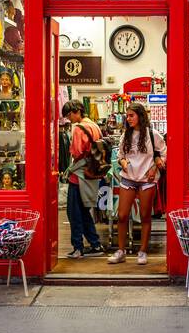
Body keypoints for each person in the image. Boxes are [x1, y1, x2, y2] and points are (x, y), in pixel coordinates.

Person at [108, 102, 166, 266]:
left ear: (140, 116)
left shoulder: (153, 134)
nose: (128, 118)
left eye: (131, 115)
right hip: (128, 178)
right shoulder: (125, 134)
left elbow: (164, 153)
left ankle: (143, 251)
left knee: (145, 216)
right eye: (127, 116)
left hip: (147, 180)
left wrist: (155, 167)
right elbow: (120, 155)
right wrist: (123, 161)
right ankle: (121, 251)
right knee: (122, 216)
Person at [62, 101, 105, 258]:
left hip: (79, 175)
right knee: (84, 211)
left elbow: (76, 152)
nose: (69, 119)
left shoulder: (79, 129)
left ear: (76, 111)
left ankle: (78, 247)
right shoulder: (94, 125)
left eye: (69, 115)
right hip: (92, 173)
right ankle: (95, 244)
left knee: (74, 212)